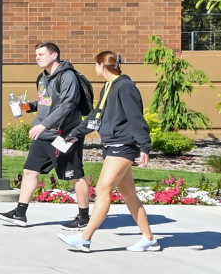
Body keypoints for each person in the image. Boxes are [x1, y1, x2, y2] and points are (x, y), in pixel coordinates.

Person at [58, 51, 160, 252]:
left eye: (95, 65)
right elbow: (96, 116)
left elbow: (136, 118)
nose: (94, 68)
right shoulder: (108, 87)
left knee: (103, 189)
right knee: (128, 192)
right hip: (113, 143)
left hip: (123, 145)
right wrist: (74, 134)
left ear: (101, 66)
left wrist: (145, 147)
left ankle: (85, 238)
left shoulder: (125, 87)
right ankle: (149, 238)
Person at [0, 42, 93, 228]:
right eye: (36, 55)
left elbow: (66, 104)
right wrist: (28, 106)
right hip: (44, 135)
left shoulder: (67, 76)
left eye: (41, 54)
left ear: (54, 55)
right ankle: (20, 214)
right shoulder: (42, 78)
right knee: (30, 171)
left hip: (64, 135)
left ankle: (83, 218)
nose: (37, 57)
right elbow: (46, 102)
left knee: (75, 176)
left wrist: (44, 125)